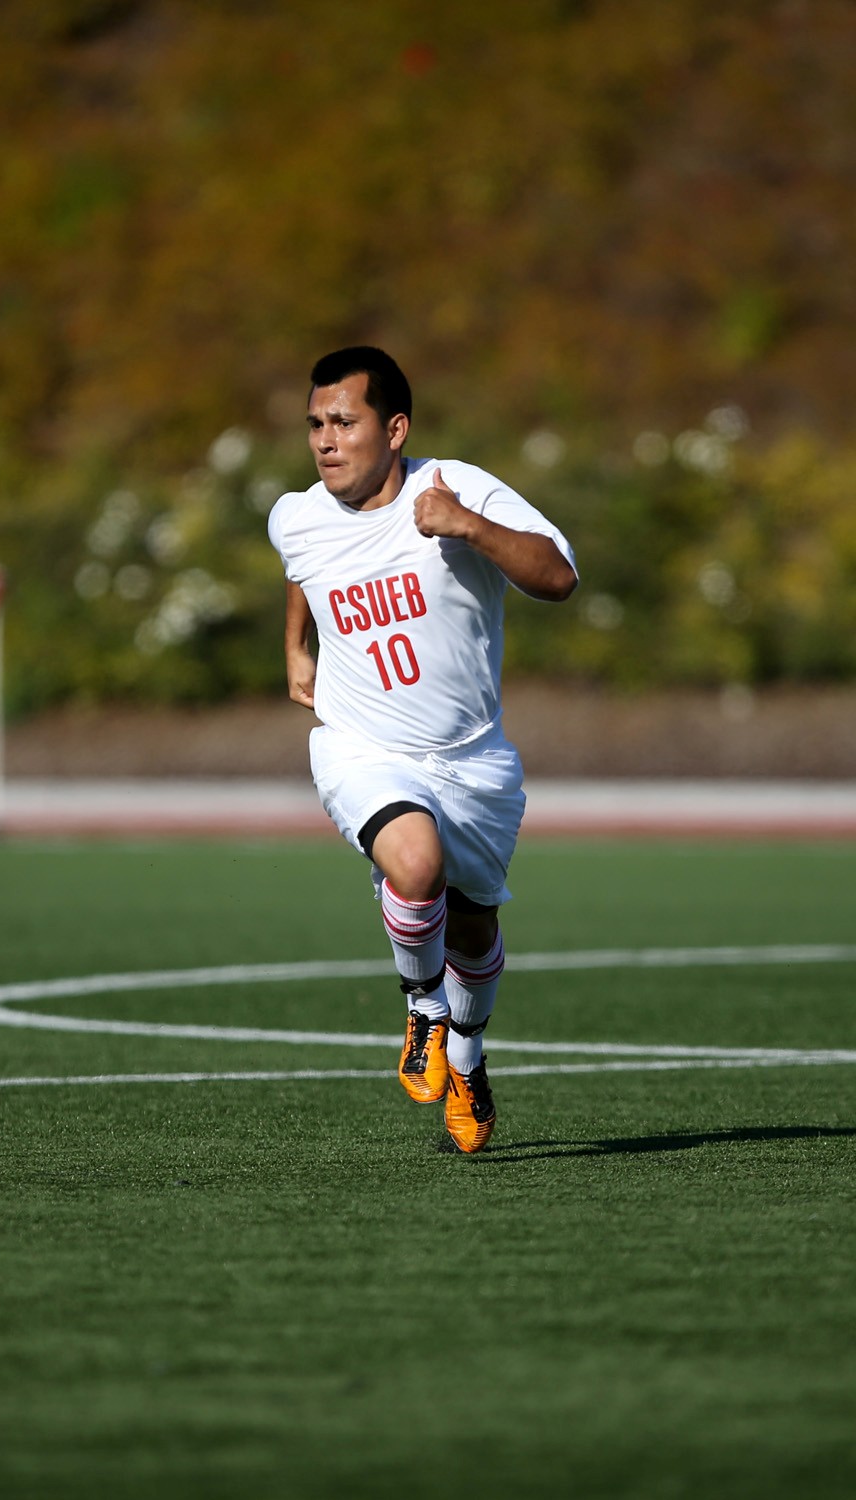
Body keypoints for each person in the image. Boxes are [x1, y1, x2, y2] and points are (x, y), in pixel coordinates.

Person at [267, 347, 578, 1153]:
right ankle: (423, 1009)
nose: (325, 440)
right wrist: (297, 644)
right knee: (414, 863)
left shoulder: (459, 488)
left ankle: (468, 1059)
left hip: (473, 760)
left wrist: (467, 527)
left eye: (344, 421)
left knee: (472, 931)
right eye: (315, 424)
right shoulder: (295, 513)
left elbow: (558, 576)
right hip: (361, 743)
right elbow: (305, 561)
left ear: (396, 428)